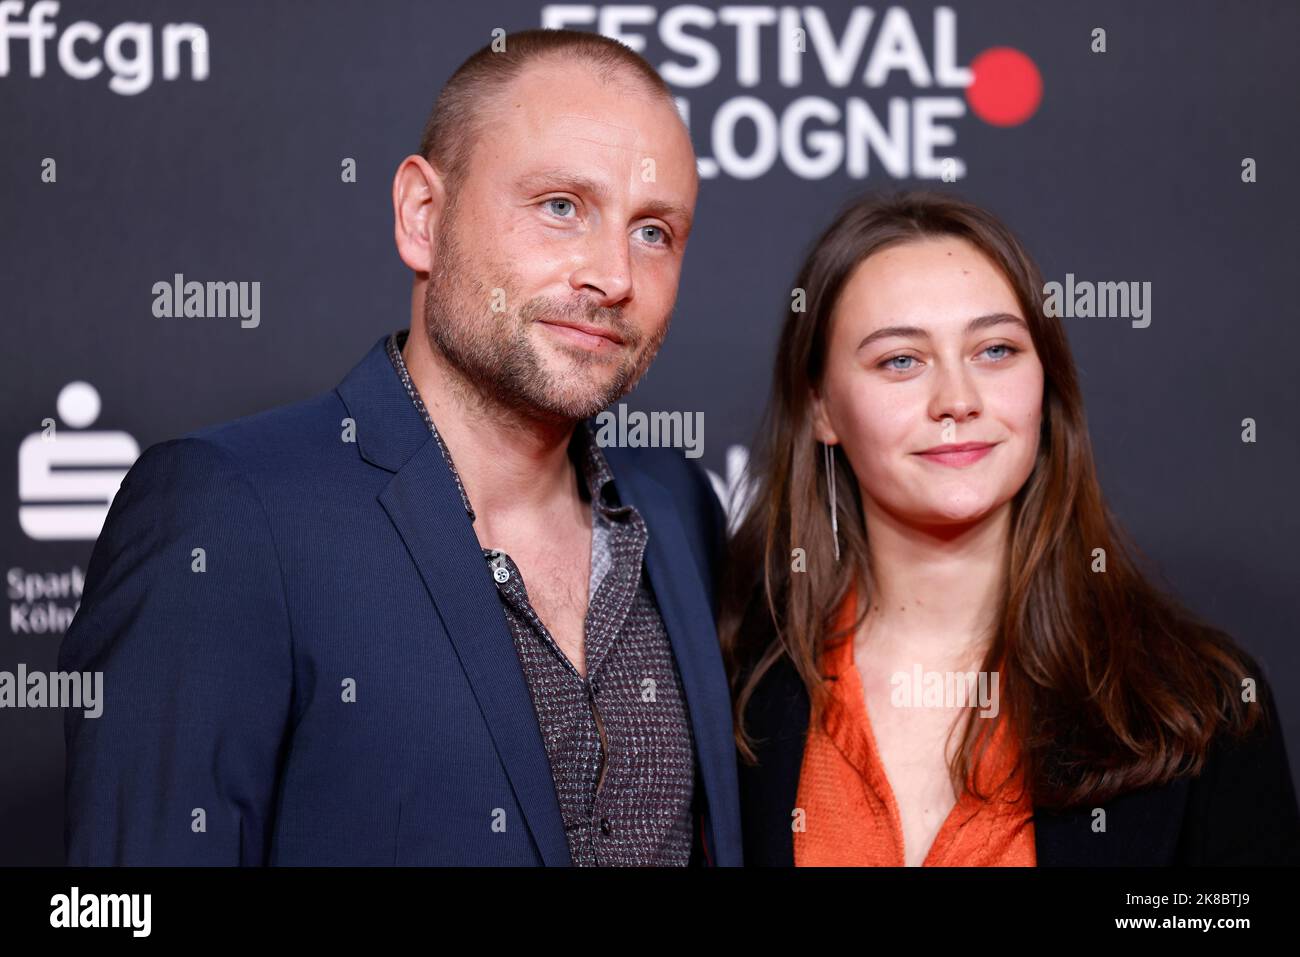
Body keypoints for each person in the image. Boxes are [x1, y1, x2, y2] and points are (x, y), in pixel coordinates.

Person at [59, 28, 741, 867]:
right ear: (423, 217)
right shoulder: (228, 514)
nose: (614, 276)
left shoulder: (678, 510)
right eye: (561, 206)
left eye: (654, 232)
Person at [722, 190, 1300, 866]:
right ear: (821, 407)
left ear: (1046, 382)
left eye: (995, 350)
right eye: (901, 360)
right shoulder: (730, 682)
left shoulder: (1199, 705)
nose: (958, 401)